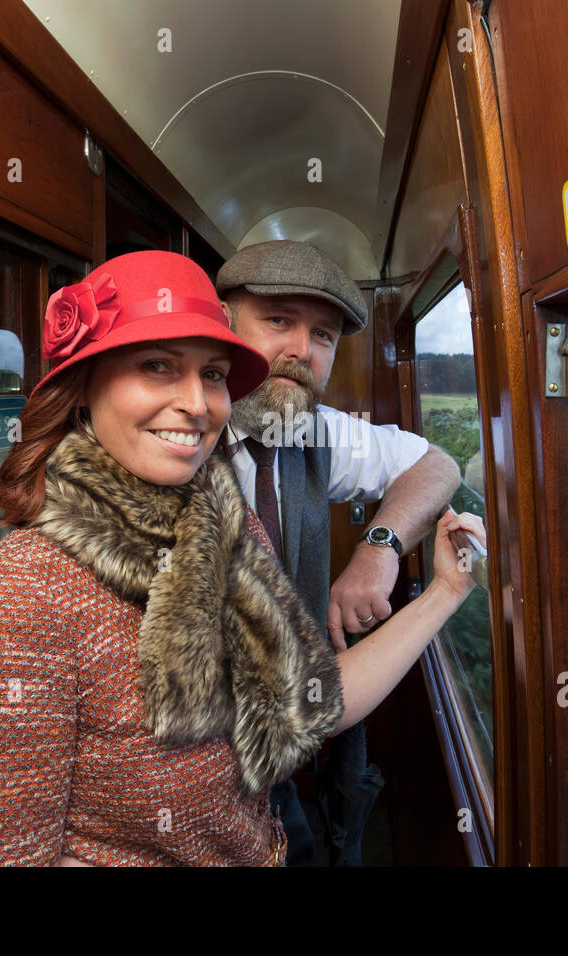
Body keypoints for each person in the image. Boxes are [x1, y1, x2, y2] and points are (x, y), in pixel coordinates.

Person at [0, 250, 484, 865]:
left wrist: (442, 593)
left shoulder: (229, 525)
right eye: (157, 366)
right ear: (84, 385)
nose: (196, 403)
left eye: (212, 374)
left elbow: (311, 701)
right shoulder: (20, 590)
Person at [215, 240, 461, 865]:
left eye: (322, 334)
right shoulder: (177, 439)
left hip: (284, 746)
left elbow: (438, 466)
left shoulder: (315, 432)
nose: (301, 350)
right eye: (278, 321)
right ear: (223, 322)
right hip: (191, 768)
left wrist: (379, 548)